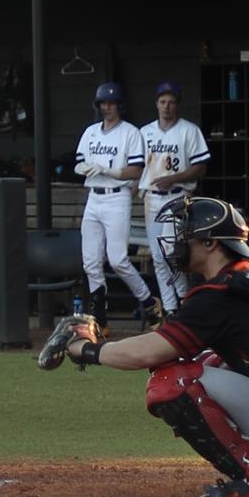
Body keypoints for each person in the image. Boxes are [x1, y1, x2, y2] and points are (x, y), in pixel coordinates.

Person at [38, 194, 249, 497]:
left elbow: (147, 353)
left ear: (211, 244)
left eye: (187, 235)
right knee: (210, 360)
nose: (178, 242)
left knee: (170, 381)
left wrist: (87, 349)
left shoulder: (219, 295)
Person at [72, 81, 155, 326]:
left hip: (117, 196)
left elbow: (136, 170)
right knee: (90, 262)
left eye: (111, 103)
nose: (107, 107)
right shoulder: (90, 132)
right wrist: (81, 167)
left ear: (120, 105)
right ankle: (100, 319)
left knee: (118, 260)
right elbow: (79, 161)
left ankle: (149, 303)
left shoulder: (131, 132)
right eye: (103, 103)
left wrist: (107, 170)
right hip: (93, 198)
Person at [139, 83, 210, 315]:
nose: (166, 106)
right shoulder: (144, 132)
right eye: (162, 102)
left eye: (171, 102)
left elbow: (201, 167)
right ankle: (170, 308)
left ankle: (183, 299)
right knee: (158, 256)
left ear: (177, 105)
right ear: (156, 104)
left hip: (178, 197)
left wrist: (174, 178)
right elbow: (136, 165)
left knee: (173, 252)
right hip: (152, 199)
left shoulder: (189, 130)